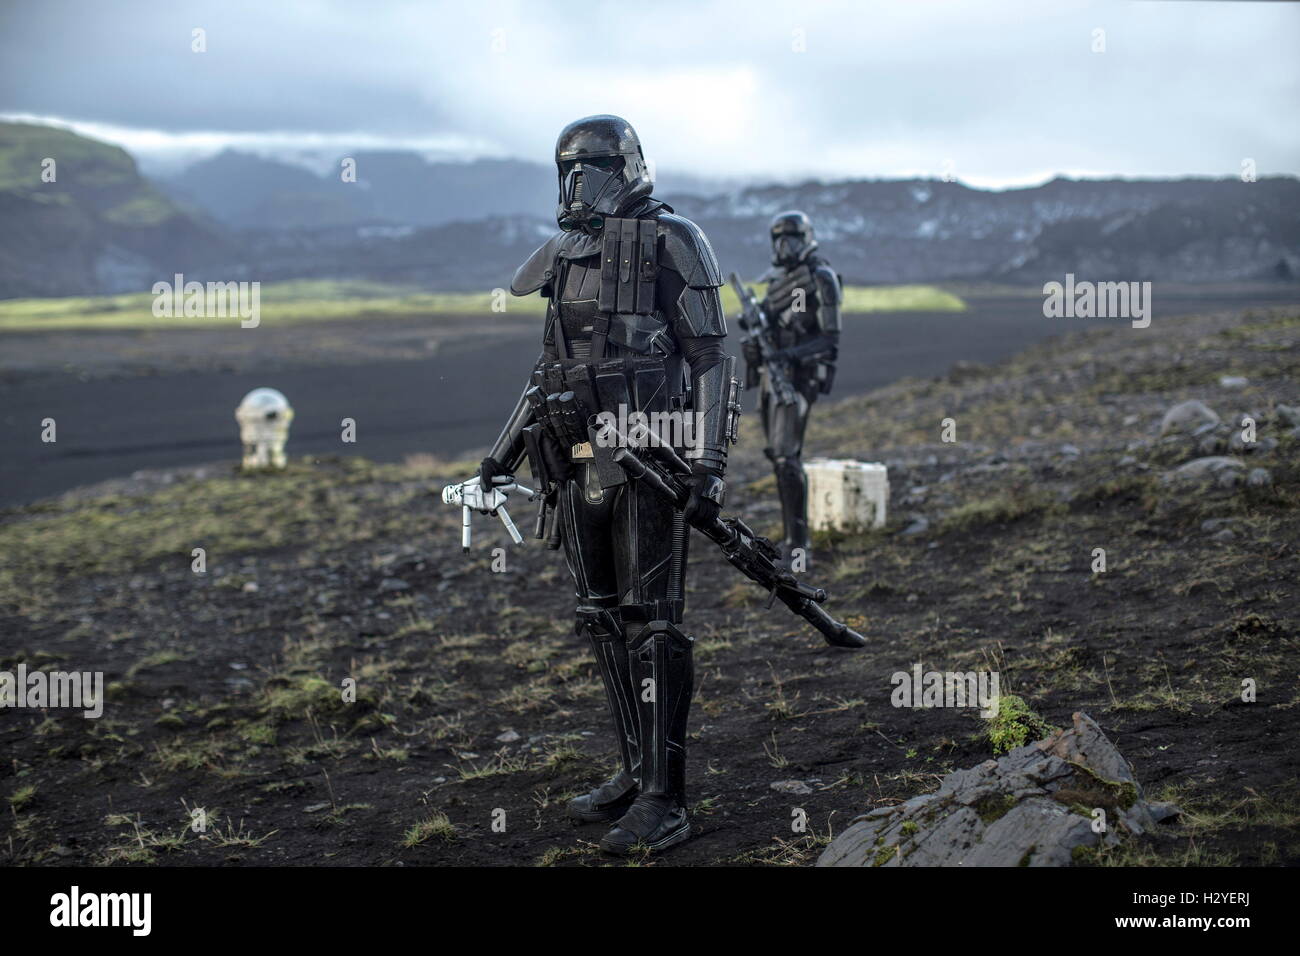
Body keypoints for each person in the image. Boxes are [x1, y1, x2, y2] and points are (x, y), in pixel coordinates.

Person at [474, 115, 737, 855]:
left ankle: (666, 798)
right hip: (574, 456)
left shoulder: (672, 240)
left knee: (655, 624)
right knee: (601, 617)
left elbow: (712, 356)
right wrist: (501, 456)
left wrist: (710, 461)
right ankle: (634, 770)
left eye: (590, 166)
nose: (575, 182)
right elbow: (550, 372)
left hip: (653, 453)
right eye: (566, 168)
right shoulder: (560, 256)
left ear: (627, 167)